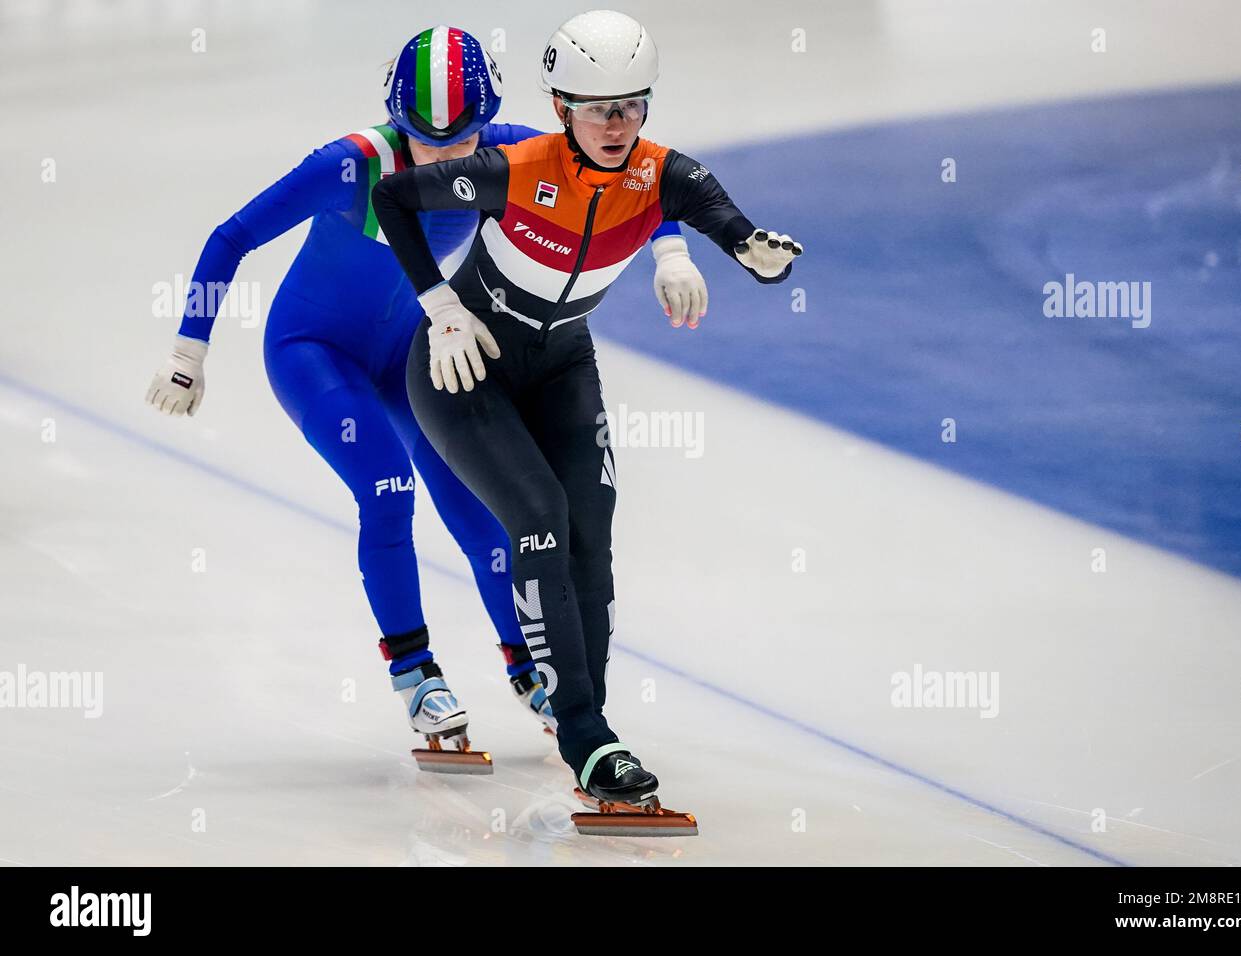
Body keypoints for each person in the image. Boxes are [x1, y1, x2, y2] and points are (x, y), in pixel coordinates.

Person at [143, 25, 706, 757]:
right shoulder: (350, 166)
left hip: (414, 351)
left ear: (489, 118)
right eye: (423, 138)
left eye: (462, 137)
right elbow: (232, 235)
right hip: (316, 353)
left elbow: (632, 176)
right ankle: (414, 671)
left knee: (479, 502)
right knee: (385, 487)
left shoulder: (512, 145)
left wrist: (672, 250)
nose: (443, 157)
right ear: (396, 121)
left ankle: (526, 664)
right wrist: (189, 353)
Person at [372, 10, 801, 805]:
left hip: (563, 361)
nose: (619, 124)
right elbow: (395, 196)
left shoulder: (661, 171)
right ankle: (581, 733)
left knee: (591, 531)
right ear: (563, 107)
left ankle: (593, 729)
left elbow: (724, 221)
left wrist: (743, 253)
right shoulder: (515, 165)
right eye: (601, 109)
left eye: (633, 106)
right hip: (467, 368)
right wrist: (439, 305)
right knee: (538, 515)